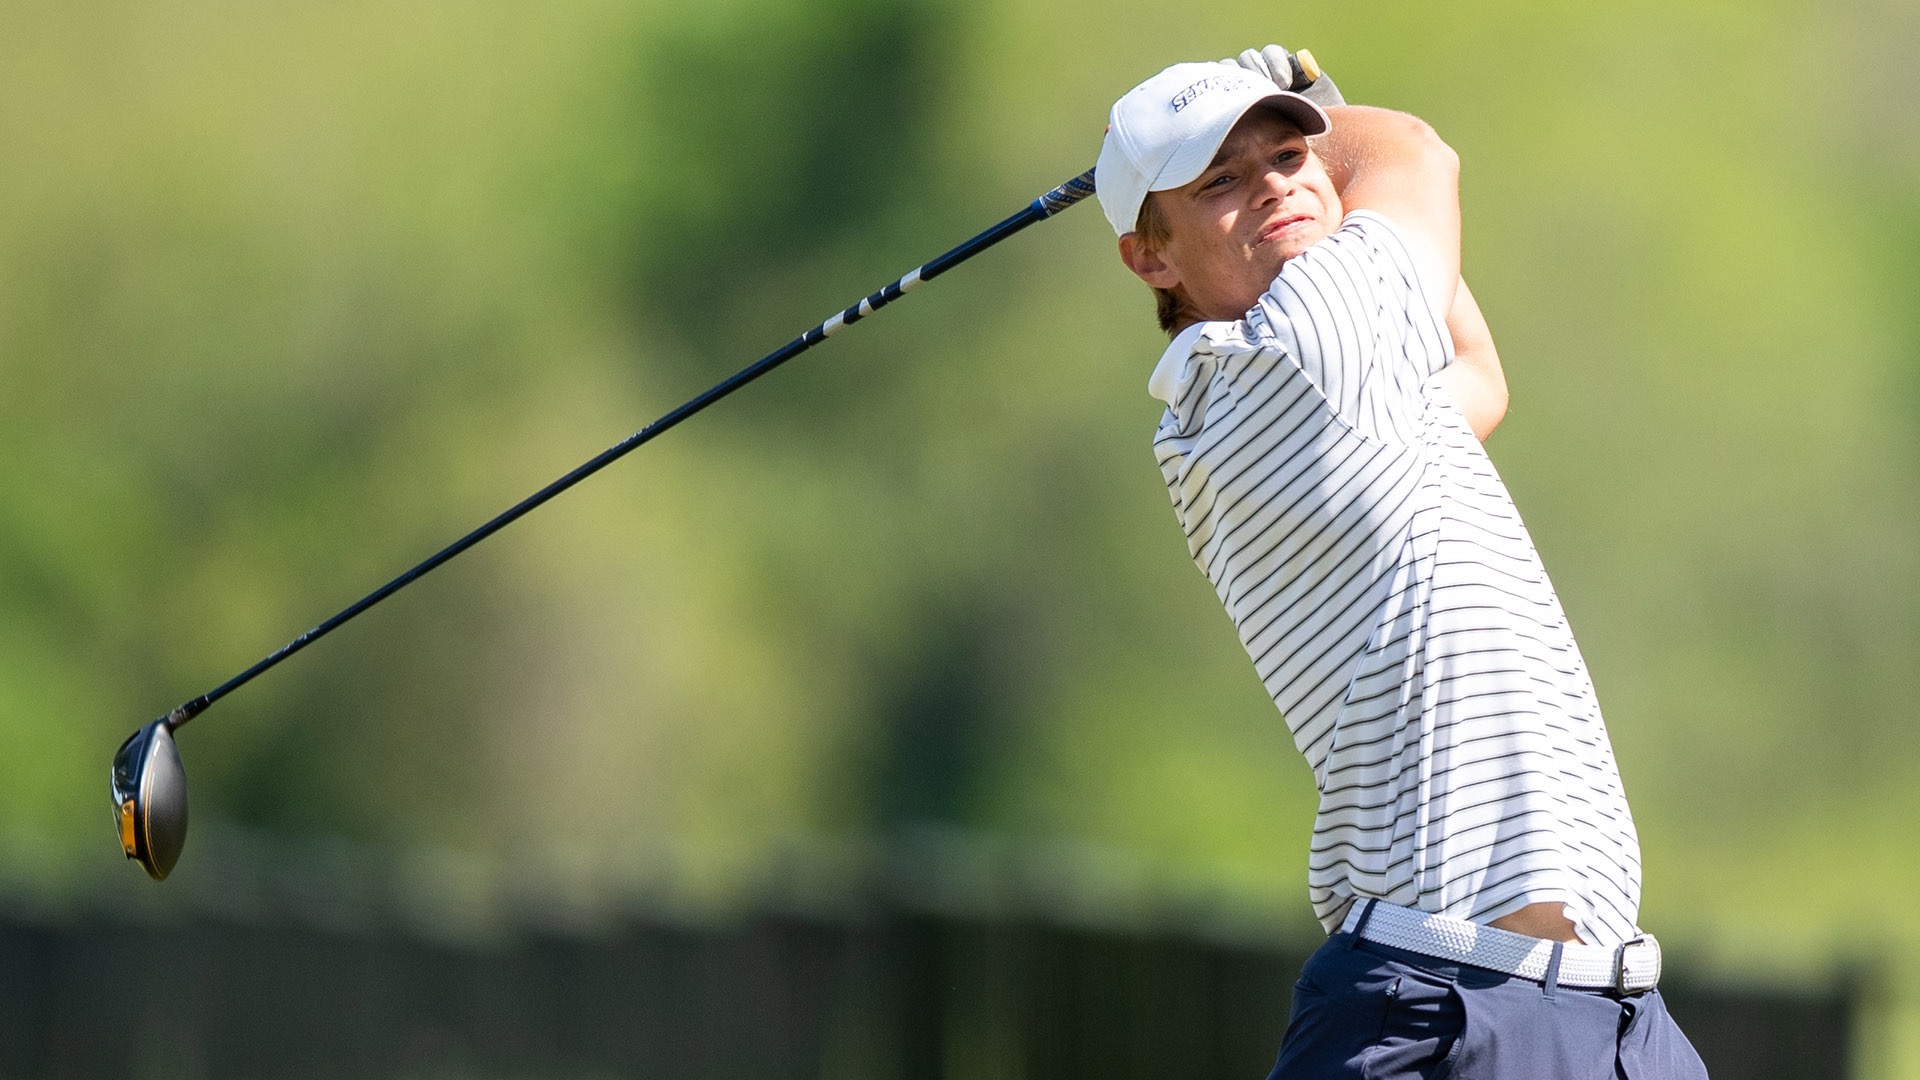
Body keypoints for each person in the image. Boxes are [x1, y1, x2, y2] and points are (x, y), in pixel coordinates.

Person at [1095, 47, 1709, 1077]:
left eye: (1289, 157)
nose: (1278, 187)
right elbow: (1420, 155)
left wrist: (1317, 135)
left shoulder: (1326, 382)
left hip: (1608, 1019)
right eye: (1220, 182)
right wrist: (1333, 117)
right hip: (1445, 1012)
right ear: (1151, 257)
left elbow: (1476, 377)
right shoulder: (1291, 360)